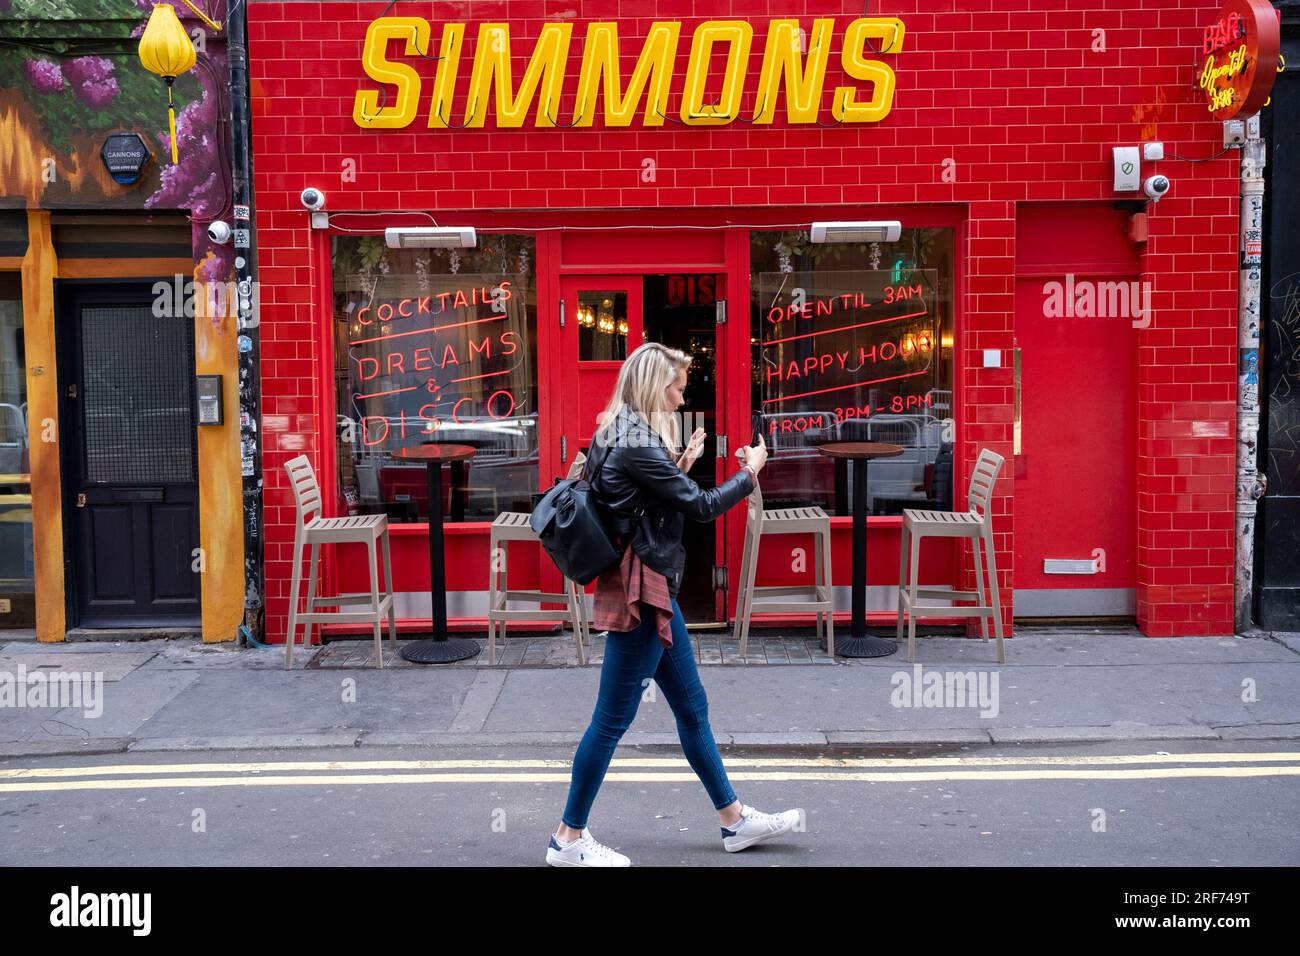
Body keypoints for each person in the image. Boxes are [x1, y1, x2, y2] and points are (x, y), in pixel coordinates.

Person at [546, 341, 803, 867]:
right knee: (611, 720)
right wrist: (751, 471)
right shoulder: (636, 442)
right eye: (678, 388)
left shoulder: (615, 430)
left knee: (692, 708)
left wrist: (679, 463)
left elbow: (634, 496)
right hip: (642, 590)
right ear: (653, 386)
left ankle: (734, 821)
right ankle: (567, 838)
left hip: (651, 582)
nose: (683, 399)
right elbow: (703, 507)